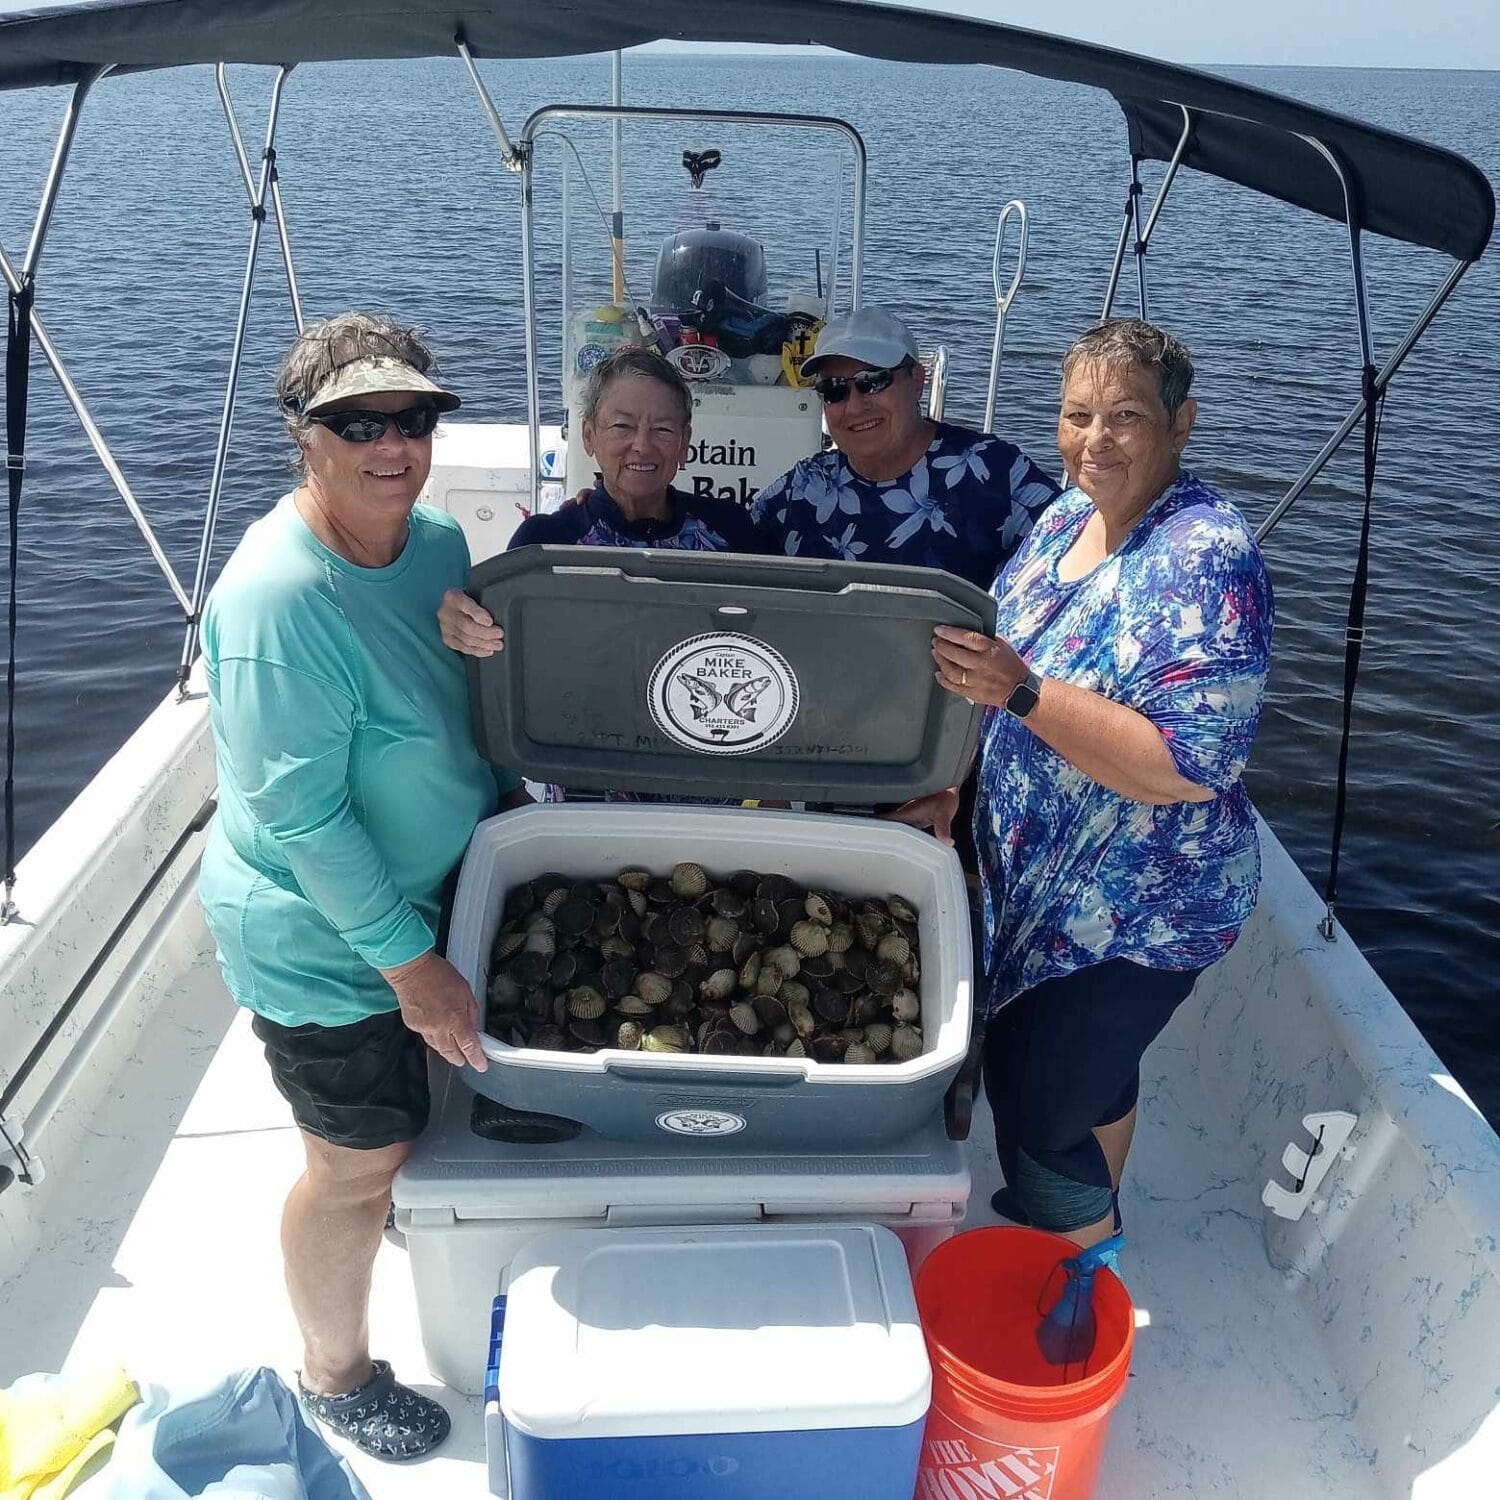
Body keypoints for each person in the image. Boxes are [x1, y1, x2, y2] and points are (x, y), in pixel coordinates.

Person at [197, 312, 527, 1461]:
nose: (395, 445)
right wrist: (414, 969)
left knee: (406, 1122)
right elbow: (305, 820)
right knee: (353, 1165)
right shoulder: (274, 603)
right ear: (304, 436)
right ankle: (334, 1374)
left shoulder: (434, 543)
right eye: (359, 424)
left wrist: (482, 647)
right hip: (323, 937)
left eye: (415, 418)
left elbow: (446, 706)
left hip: (431, 888)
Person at [916, 318, 1274, 1251]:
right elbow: (986, 676)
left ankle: (1075, 1284)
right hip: (1034, 885)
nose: (1095, 440)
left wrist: (1024, 690)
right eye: (1077, 415)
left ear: (1180, 423)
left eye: (1124, 416)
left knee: (1038, 1108)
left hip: (1141, 908)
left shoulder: (1207, 557)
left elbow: (1186, 769)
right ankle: (1086, 1209)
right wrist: (954, 788)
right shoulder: (1067, 518)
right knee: (1096, 1078)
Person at [439, 345, 771, 803]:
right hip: (588, 787)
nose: (642, 444)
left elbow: (772, 647)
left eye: (662, 429)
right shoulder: (546, 542)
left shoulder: (729, 530)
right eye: (622, 426)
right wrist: (461, 624)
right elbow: (501, 667)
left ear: (684, 441)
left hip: (712, 783)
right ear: (589, 436)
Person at [750, 305, 1059, 589]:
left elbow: (1079, 544)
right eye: (834, 390)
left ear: (917, 381)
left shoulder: (996, 473)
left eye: (872, 381)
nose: (855, 406)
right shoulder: (802, 490)